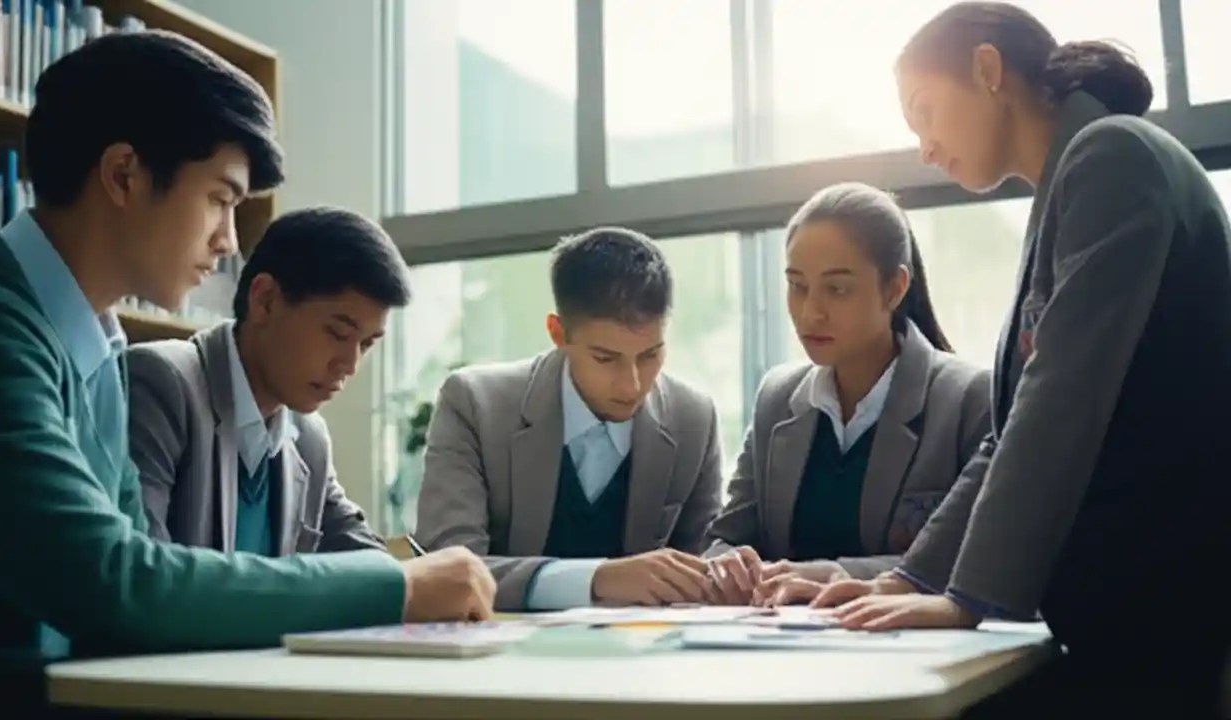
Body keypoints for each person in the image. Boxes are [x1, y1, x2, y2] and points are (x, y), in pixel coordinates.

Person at [0, 30, 492, 714]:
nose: (229, 241)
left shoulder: (99, 346)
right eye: (220, 199)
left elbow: (134, 579)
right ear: (124, 175)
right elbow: (116, 583)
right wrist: (398, 589)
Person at [798, 2, 1231, 715]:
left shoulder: (1109, 156)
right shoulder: (1075, 179)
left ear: (987, 69)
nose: (926, 149)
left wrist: (969, 597)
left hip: (1162, 608)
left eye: (926, 113)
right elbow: (1012, 430)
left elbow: (1061, 396)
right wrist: (912, 579)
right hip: (1128, 609)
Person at [703, 183, 991, 606]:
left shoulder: (968, 399)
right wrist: (727, 565)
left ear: (894, 288)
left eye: (836, 289)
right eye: (797, 286)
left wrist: (834, 575)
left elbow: (976, 559)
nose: (810, 312)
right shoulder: (777, 399)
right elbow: (724, 540)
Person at [415, 227, 725, 611]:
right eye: (605, 358)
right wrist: (597, 579)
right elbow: (448, 571)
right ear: (557, 333)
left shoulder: (693, 419)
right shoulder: (475, 405)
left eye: (650, 355)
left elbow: (706, 564)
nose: (632, 385)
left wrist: (728, 571)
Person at [128, 207, 404, 557]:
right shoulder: (161, 384)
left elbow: (363, 554)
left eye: (366, 344)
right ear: (265, 301)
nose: (349, 365)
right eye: (338, 333)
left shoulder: (307, 438)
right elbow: (144, 572)